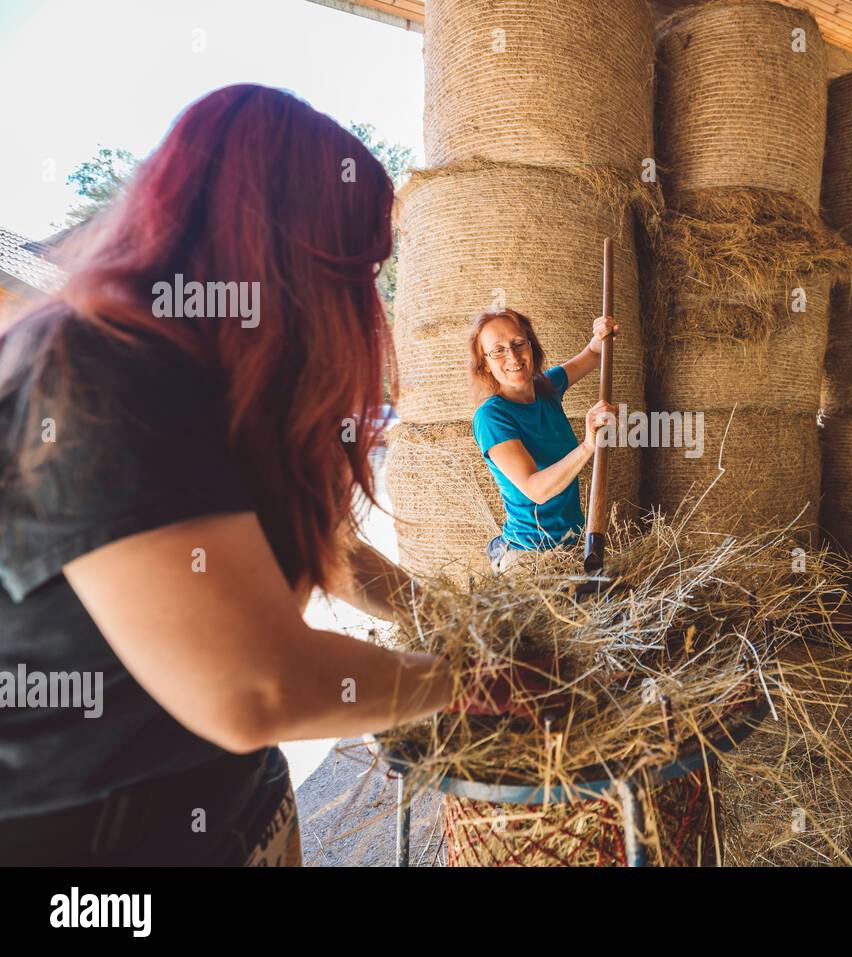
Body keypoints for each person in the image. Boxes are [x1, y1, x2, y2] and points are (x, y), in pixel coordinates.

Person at [0, 85, 539, 866]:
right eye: (355, 268)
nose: (363, 301)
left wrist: (455, 618)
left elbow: (333, 549)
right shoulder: (95, 372)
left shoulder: (211, 372)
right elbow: (256, 688)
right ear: (279, 251)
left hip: (237, 812)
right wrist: (457, 676)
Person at [467, 309, 617, 573]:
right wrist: (588, 446)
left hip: (572, 544)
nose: (512, 356)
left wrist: (600, 335)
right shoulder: (491, 417)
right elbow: (536, 490)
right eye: (498, 350)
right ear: (485, 364)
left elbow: (593, 354)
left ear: (531, 345)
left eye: (518, 343)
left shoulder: (547, 387)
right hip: (531, 556)